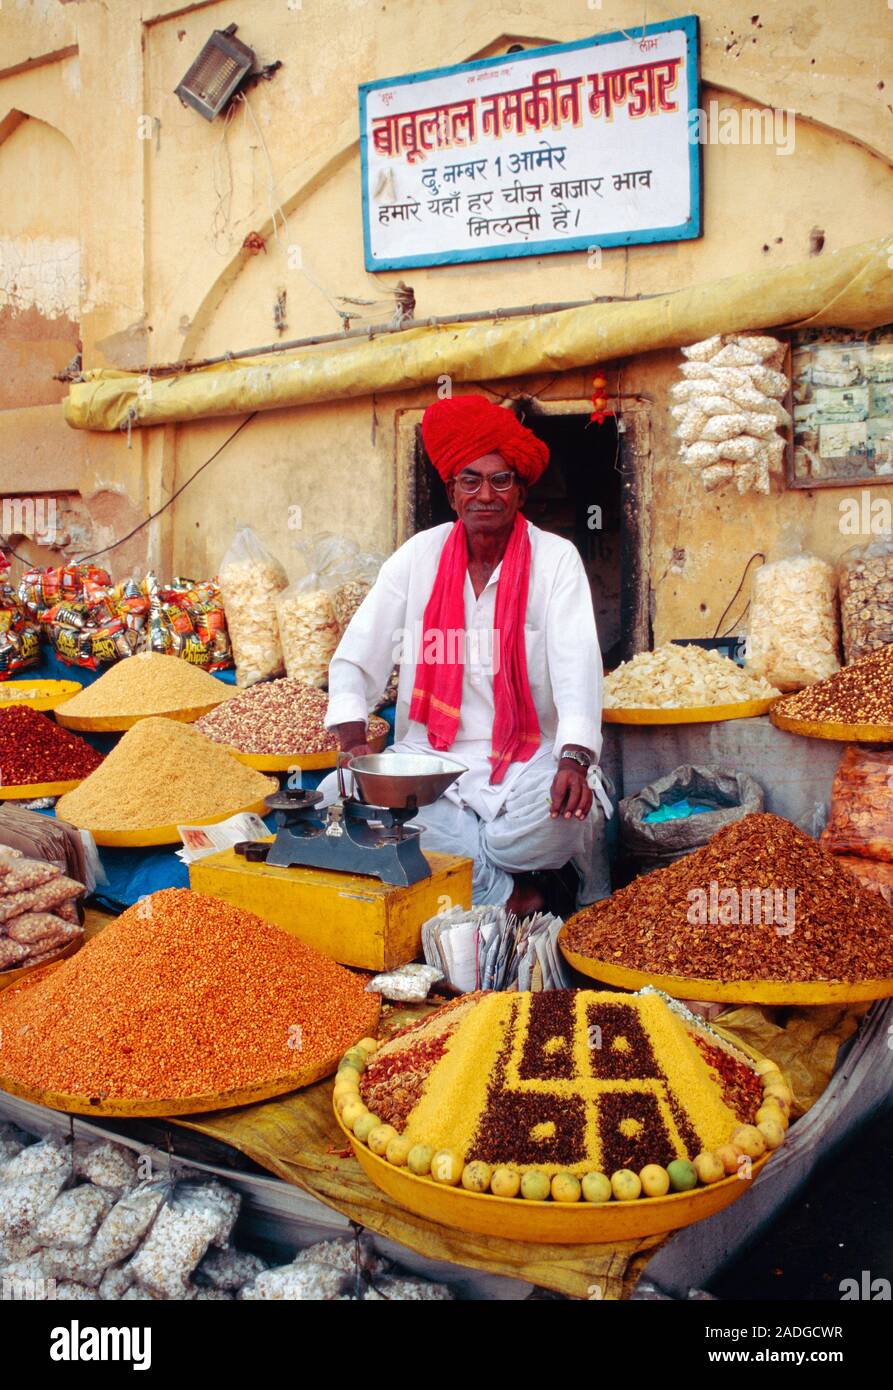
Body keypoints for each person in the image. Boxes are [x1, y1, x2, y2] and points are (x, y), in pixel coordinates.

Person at [322, 393, 611, 911]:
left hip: (528, 759)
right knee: (335, 802)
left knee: (565, 816)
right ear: (451, 492)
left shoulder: (555, 559)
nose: (486, 494)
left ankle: (467, 867)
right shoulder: (419, 555)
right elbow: (357, 653)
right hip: (429, 757)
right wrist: (352, 740)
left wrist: (572, 759)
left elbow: (578, 668)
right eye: (470, 480)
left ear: (520, 492)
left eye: (501, 480)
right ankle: (512, 893)